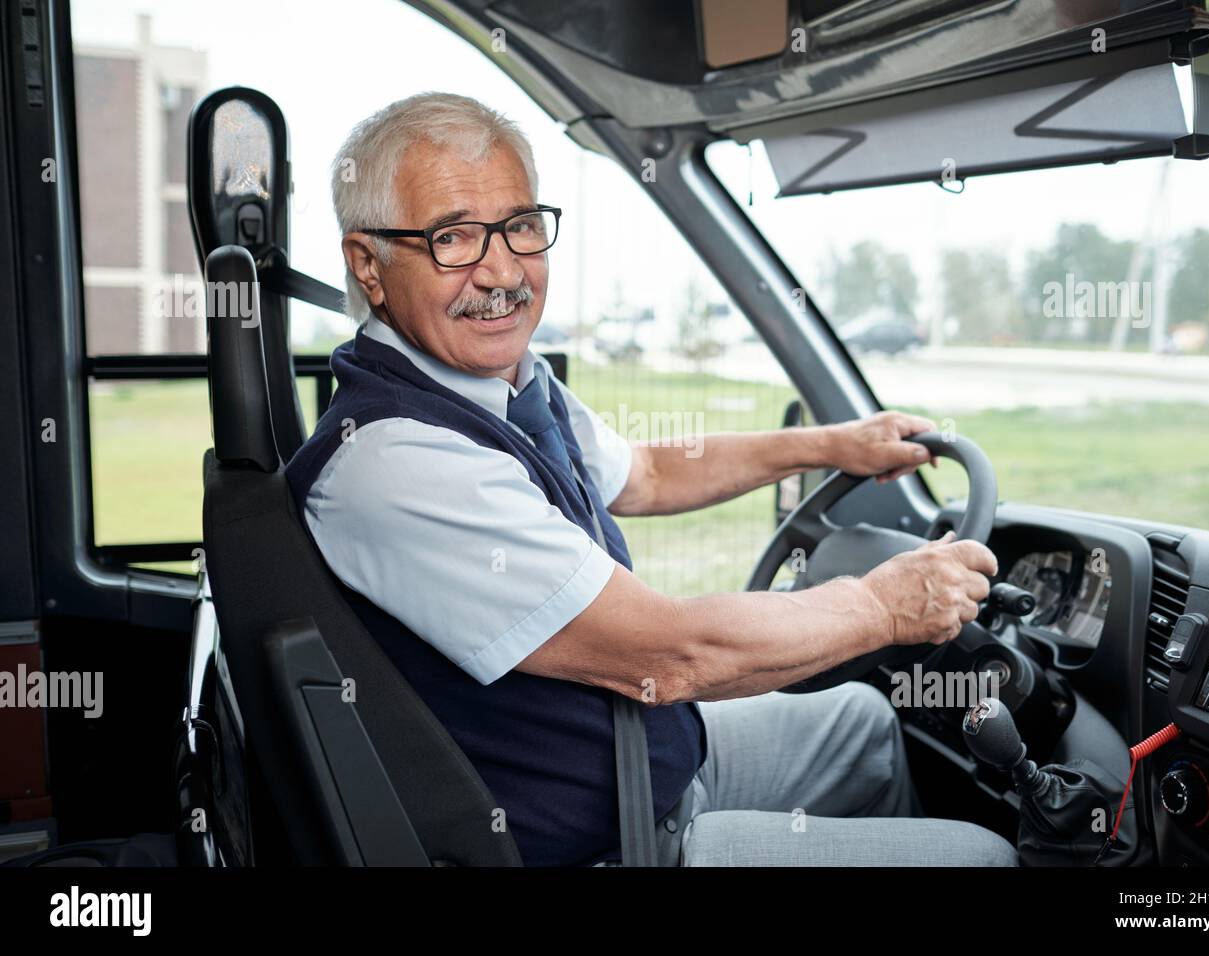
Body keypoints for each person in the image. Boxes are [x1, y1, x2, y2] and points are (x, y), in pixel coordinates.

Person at [284, 91, 1017, 867]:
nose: (502, 271)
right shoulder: (398, 460)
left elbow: (651, 472)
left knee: (865, 727)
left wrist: (830, 443)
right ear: (369, 264)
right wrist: (881, 603)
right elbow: (671, 657)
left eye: (521, 226)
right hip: (605, 839)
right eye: (453, 237)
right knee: (985, 860)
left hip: (645, 760)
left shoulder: (501, 382)